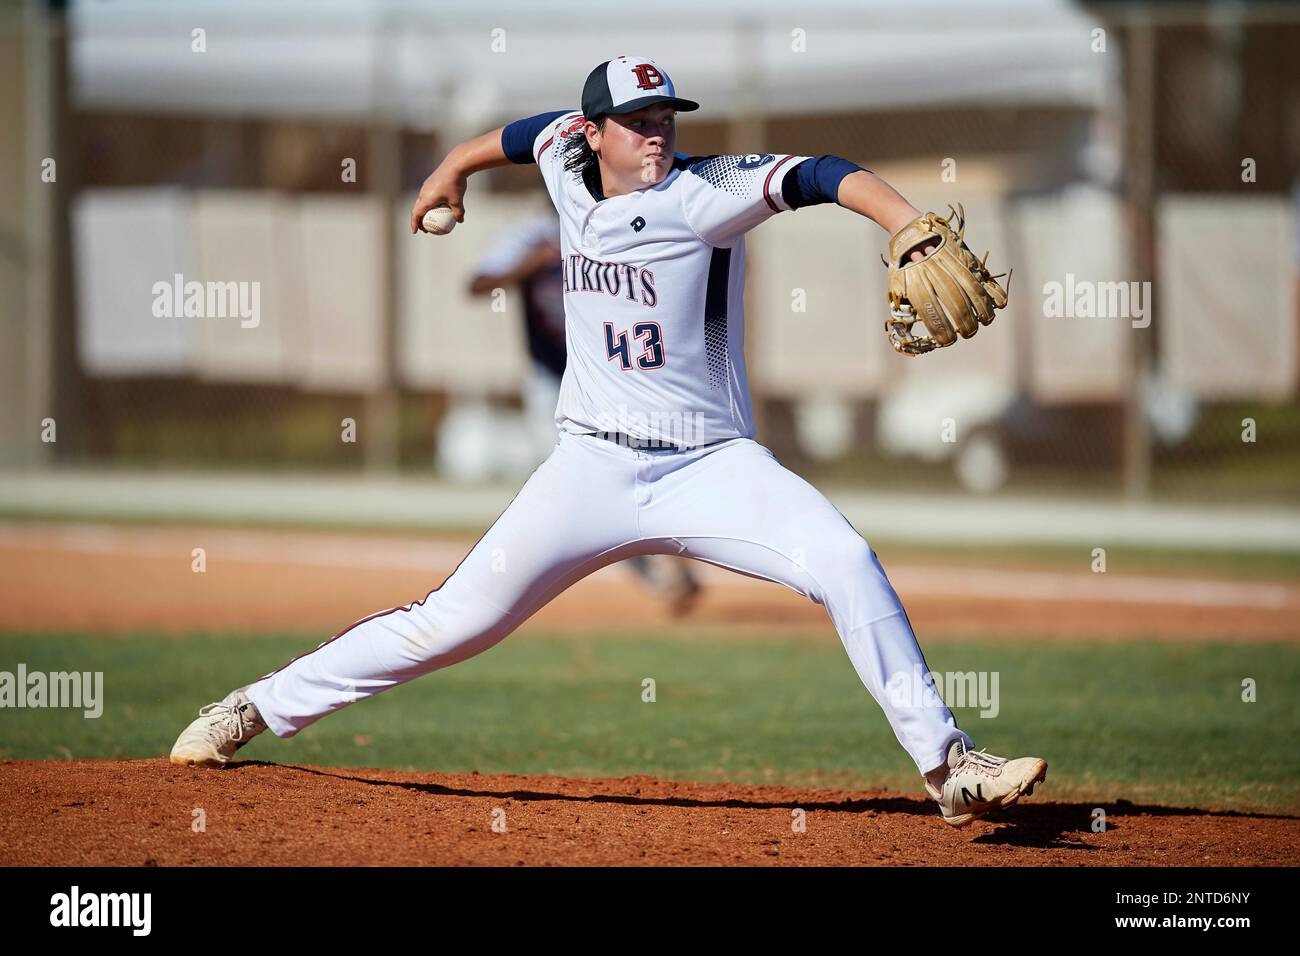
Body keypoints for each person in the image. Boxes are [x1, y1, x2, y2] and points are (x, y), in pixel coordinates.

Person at [170, 55, 1046, 828]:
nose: (657, 134)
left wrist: (901, 221)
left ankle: (950, 768)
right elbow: (517, 135)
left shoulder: (707, 192)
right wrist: (449, 168)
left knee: (846, 560)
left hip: (712, 466)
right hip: (589, 465)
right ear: (595, 133)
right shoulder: (563, 156)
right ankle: (249, 711)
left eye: (665, 118)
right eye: (637, 123)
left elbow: (819, 173)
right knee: (449, 625)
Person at [467, 211, 702, 614]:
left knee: (641, 466)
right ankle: (653, 571)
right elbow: (477, 284)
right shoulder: (530, 234)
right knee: (581, 483)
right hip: (550, 383)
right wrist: (531, 263)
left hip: (612, 376)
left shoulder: (623, 224)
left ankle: (666, 557)